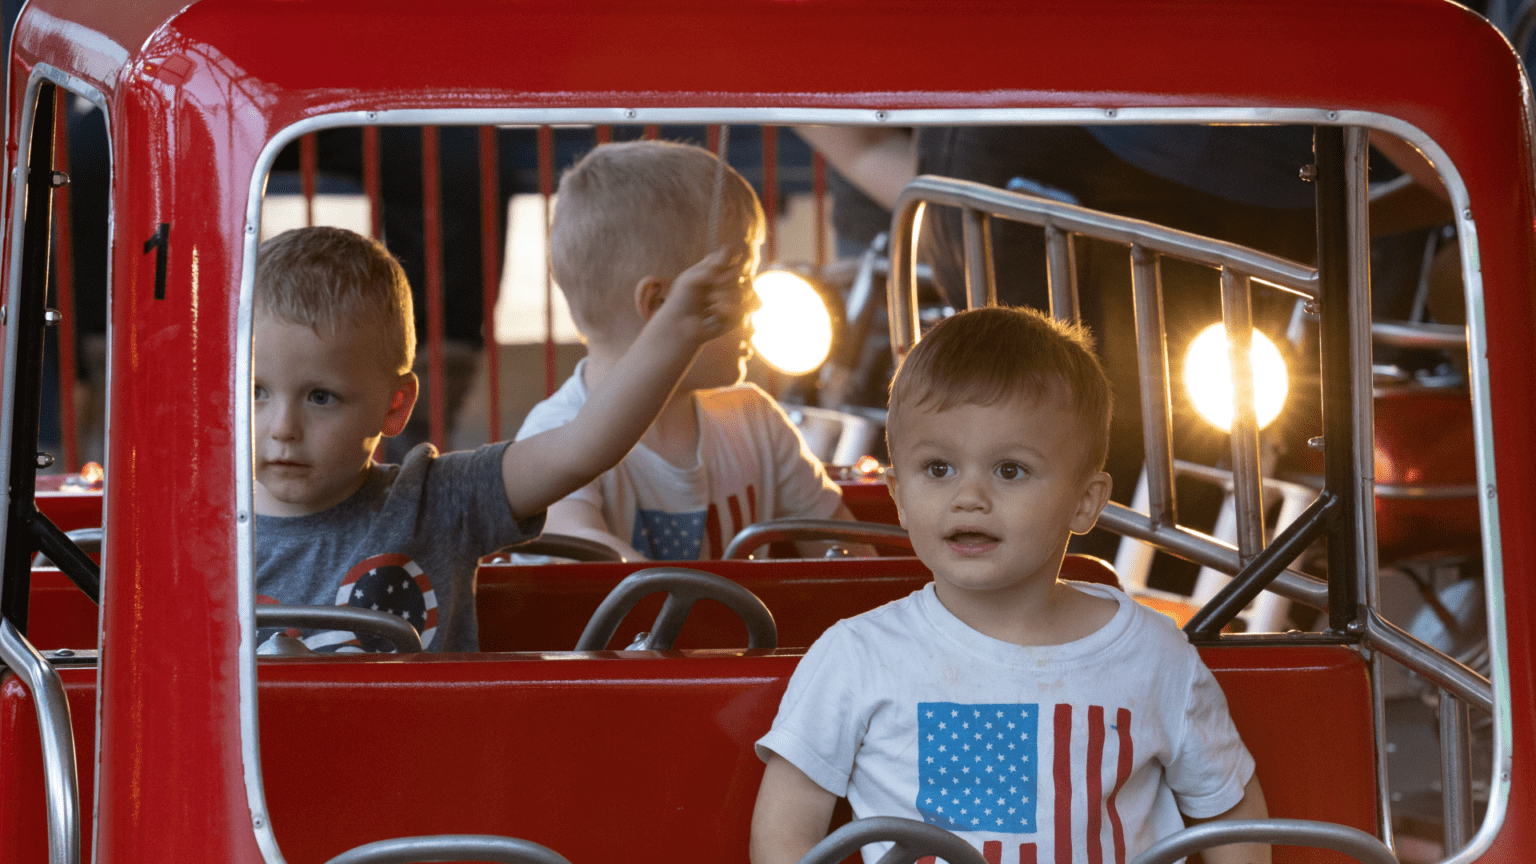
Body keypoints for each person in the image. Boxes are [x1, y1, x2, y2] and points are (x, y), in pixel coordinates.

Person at [750, 307, 1269, 864]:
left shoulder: (1156, 655)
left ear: (1085, 501)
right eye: (939, 469)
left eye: (1010, 470)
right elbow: (786, 831)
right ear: (898, 494)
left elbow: (1230, 816)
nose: (969, 496)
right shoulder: (857, 656)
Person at [252, 225, 752, 652]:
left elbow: (582, 447)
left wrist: (678, 330)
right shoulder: (202, 536)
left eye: (320, 397)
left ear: (395, 406)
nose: (282, 428)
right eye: (256, 392)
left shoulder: (436, 502)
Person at [516, 141, 860, 561]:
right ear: (660, 305)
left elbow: (849, 556)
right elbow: (581, 556)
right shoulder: (554, 438)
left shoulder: (756, 422)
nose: (755, 303)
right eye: (738, 281)